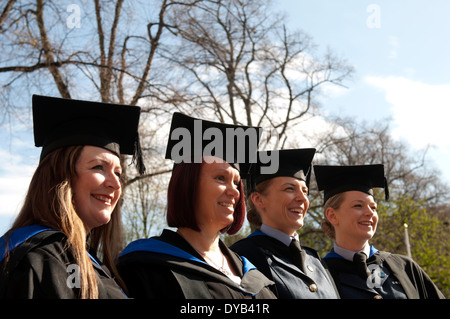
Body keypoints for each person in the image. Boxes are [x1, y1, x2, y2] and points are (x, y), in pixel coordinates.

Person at [116, 112, 276, 299]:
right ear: (187, 184)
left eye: (236, 183)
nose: (234, 192)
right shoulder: (145, 267)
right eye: (220, 178)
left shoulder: (254, 278)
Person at [0, 94, 145, 299]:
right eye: (98, 167)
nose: (115, 183)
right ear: (59, 176)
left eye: (118, 173)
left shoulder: (96, 265)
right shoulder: (39, 261)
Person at [314, 164, 445, 299]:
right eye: (358, 205)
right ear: (332, 215)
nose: (370, 213)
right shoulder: (321, 277)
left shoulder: (404, 267)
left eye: (373, 207)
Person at [231, 149, 340, 299]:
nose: (303, 198)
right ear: (259, 199)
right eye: (290, 189)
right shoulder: (242, 257)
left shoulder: (316, 261)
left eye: (305, 191)